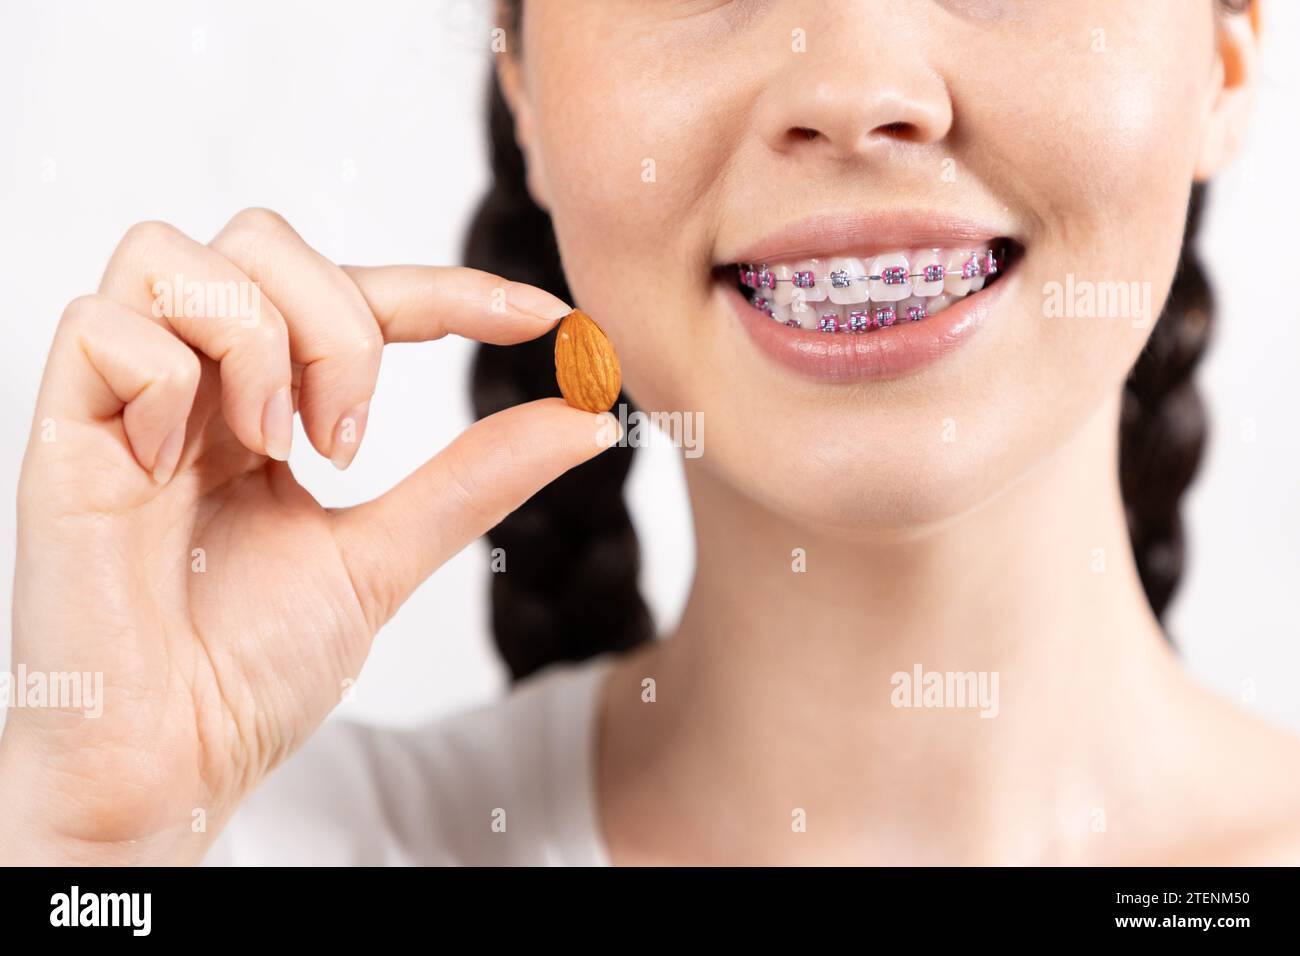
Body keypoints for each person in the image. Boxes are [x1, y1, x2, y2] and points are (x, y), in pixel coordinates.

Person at [4, 0, 1297, 866]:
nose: (855, 89)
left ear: (1226, 50)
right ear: (528, 95)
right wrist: (82, 831)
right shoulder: (241, 843)